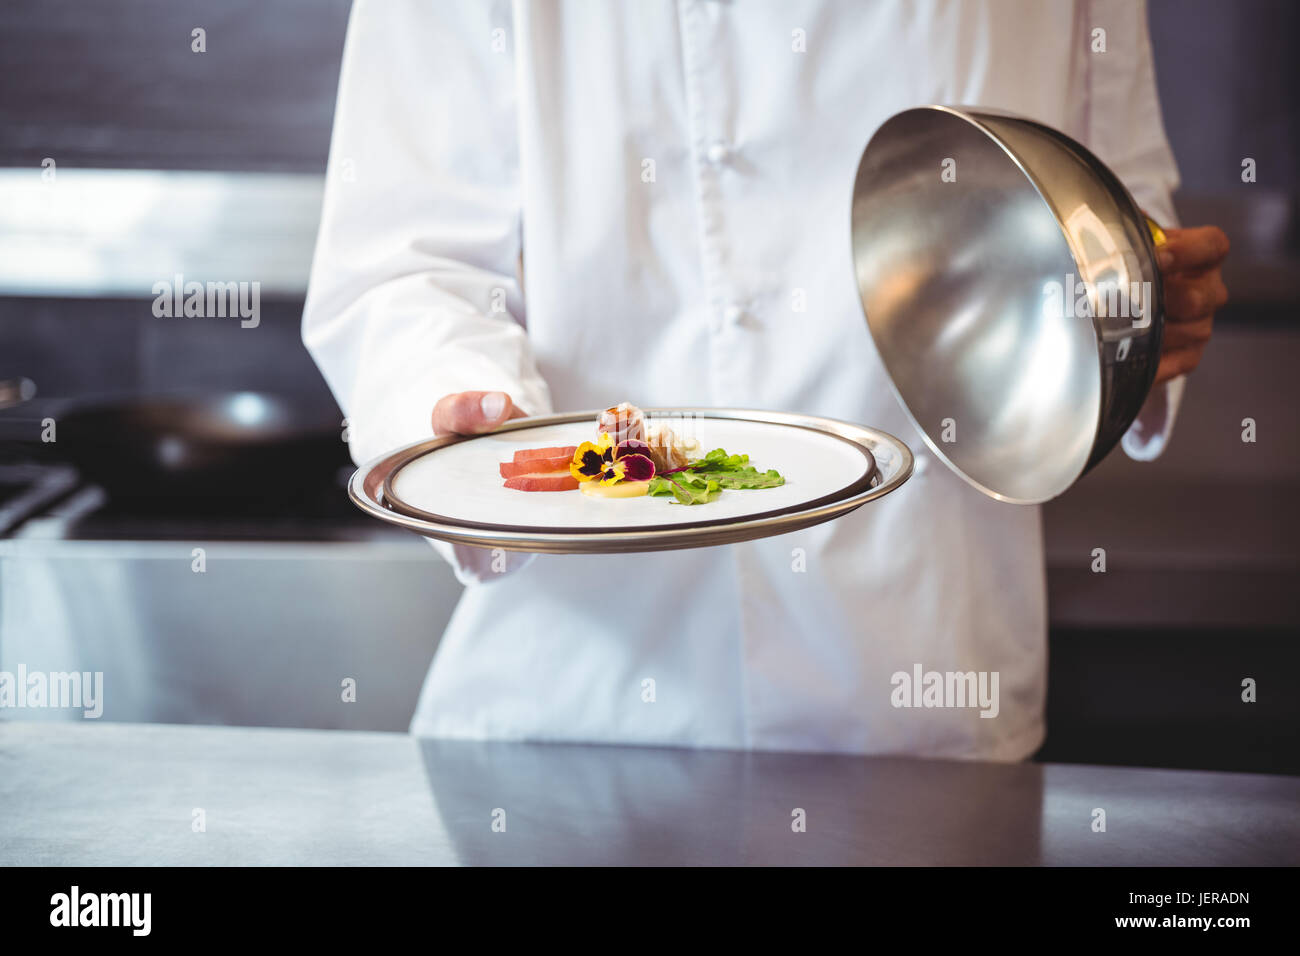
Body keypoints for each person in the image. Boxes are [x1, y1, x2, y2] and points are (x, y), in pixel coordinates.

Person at [303, 0, 1228, 757]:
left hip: (921, 675)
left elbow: (1113, 203)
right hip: (579, 694)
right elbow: (404, 262)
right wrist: (468, 420)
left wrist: (1138, 320)